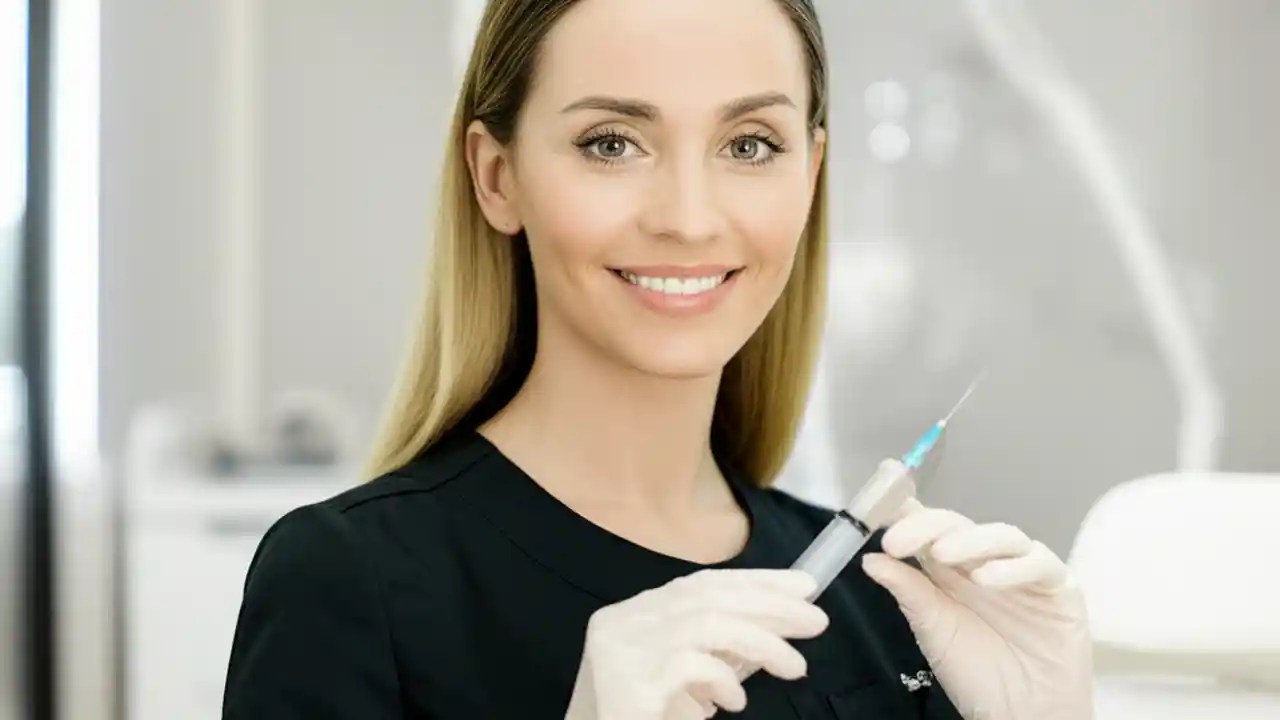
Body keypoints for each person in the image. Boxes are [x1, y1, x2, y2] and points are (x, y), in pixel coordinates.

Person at [222, 0, 1093, 718]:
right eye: (612, 142)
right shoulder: (349, 585)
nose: (688, 217)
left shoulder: (886, 601)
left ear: (812, 173)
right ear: (498, 177)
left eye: (749, 144)